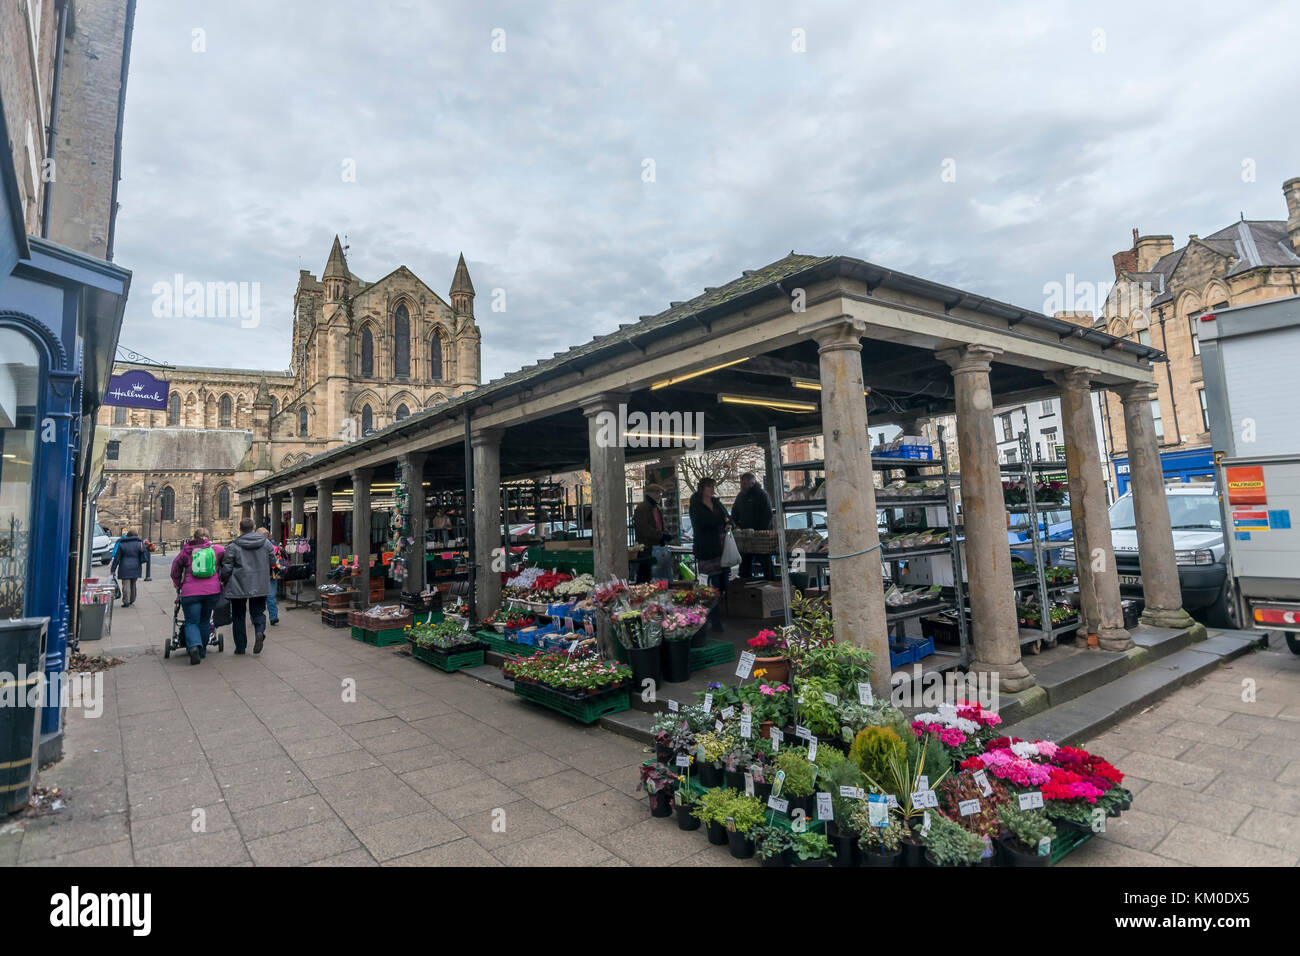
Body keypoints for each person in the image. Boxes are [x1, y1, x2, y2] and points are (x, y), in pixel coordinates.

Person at [220, 517, 277, 655]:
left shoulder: (233, 546)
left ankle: (240, 647)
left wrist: (223, 580)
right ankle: (259, 631)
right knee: (258, 612)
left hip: (238, 585)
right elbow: (272, 561)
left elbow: (227, 567)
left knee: (238, 616)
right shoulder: (266, 543)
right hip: (260, 583)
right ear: (254, 527)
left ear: (240, 529)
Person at [170, 528, 226, 665]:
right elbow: (226, 563)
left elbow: (175, 570)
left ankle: (194, 646)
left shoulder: (186, 551)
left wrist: (178, 584)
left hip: (190, 592)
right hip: (212, 591)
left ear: (194, 537)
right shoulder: (217, 550)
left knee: (191, 622)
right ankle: (202, 651)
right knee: (205, 620)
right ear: (208, 537)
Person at [688, 477, 731, 632]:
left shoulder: (717, 503)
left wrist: (726, 522)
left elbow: (728, 518)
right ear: (703, 489)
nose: (713, 489)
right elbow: (704, 522)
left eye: (713, 486)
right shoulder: (696, 505)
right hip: (706, 550)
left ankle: (718, 618)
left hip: (721, 549)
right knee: (711, 588)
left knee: (723, 584)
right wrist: (720, 519)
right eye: (710, 487)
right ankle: (714, 622)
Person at [731, 471, 774, 580]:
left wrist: (759, 531)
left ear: (752, 483)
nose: (743, 486)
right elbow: (734, 513)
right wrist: (737, 526)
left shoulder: (762, 495)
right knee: (745, 565)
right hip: (745, 537)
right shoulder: (740, 496)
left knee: (766, 563)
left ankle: (771, 586)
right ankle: (746, 590)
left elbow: (767, 515)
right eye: (742, 483)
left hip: (761, 537)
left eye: (745, 483)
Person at [633, 484, 672, 583]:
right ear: (649, 494)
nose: (659, 495)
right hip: (647, 549)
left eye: (660, 493)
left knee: (657, 578)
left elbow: (659, 525)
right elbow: (645, 529)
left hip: (656, 548)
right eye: (657, 493)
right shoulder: (642, 508)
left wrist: (665, 533)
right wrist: (662, 535)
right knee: (645, 578)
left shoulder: (656, 508)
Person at [109, 529, 146, 608]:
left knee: (126, 584)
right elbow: (143, 554)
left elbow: (117, 558)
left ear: (127, 536)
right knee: (133, 583)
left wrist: (113, 569)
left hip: (124, 567)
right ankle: (132, 599)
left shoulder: (122, 544)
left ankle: (126, 601)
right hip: (136, 566)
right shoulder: (140, 543)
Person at [258, 526, 283, 626]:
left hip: (263, 574)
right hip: (271, 573)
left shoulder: (258, 545)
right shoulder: (273, 544)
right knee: (270, 596)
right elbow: (276, 560)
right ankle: (272, 616)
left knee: (264, 597)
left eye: (266, 534)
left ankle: (272, 617)